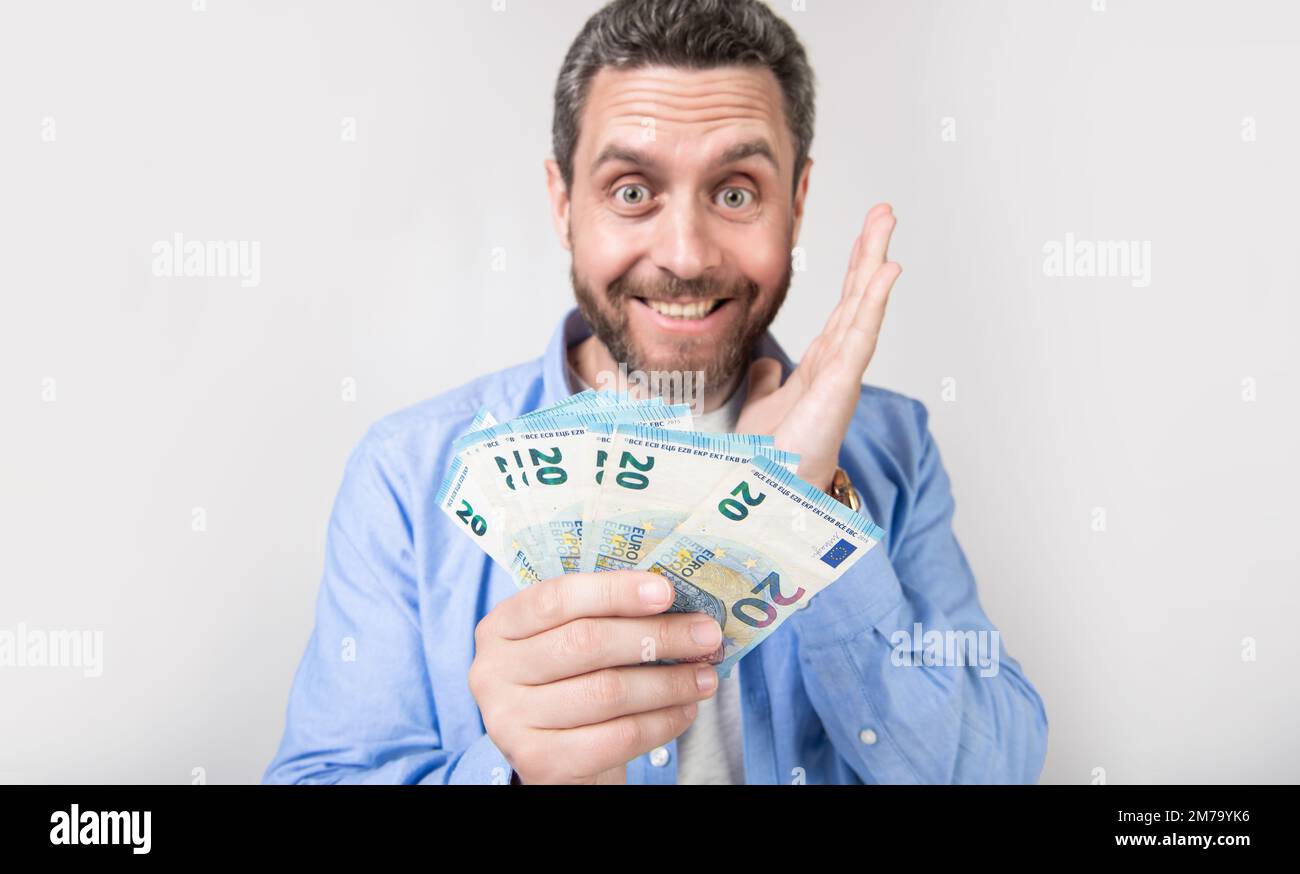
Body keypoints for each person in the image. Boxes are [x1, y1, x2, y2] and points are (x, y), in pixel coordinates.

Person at [265, 0, 1047, 785]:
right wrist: (509, 773)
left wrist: (806, 509)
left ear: (797, 204)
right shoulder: (406, 474)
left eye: (736, 192)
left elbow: (996, 771)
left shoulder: (892, 449)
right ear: (563, 201)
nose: (685, 255)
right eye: (633, 191)